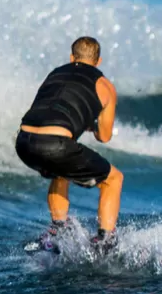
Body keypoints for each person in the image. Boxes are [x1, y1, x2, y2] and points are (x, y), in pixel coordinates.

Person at [16, 36, 124, 252]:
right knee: (113, 179)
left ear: (72, 57)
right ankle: (105, 242)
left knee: (60, 170)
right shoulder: (106, 86)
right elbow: (104, 136)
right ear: (98, 61)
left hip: (24, 141)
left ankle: (57, 230)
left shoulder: (55, 73)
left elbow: (50, 110)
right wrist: (92, 126)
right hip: (56, 144)